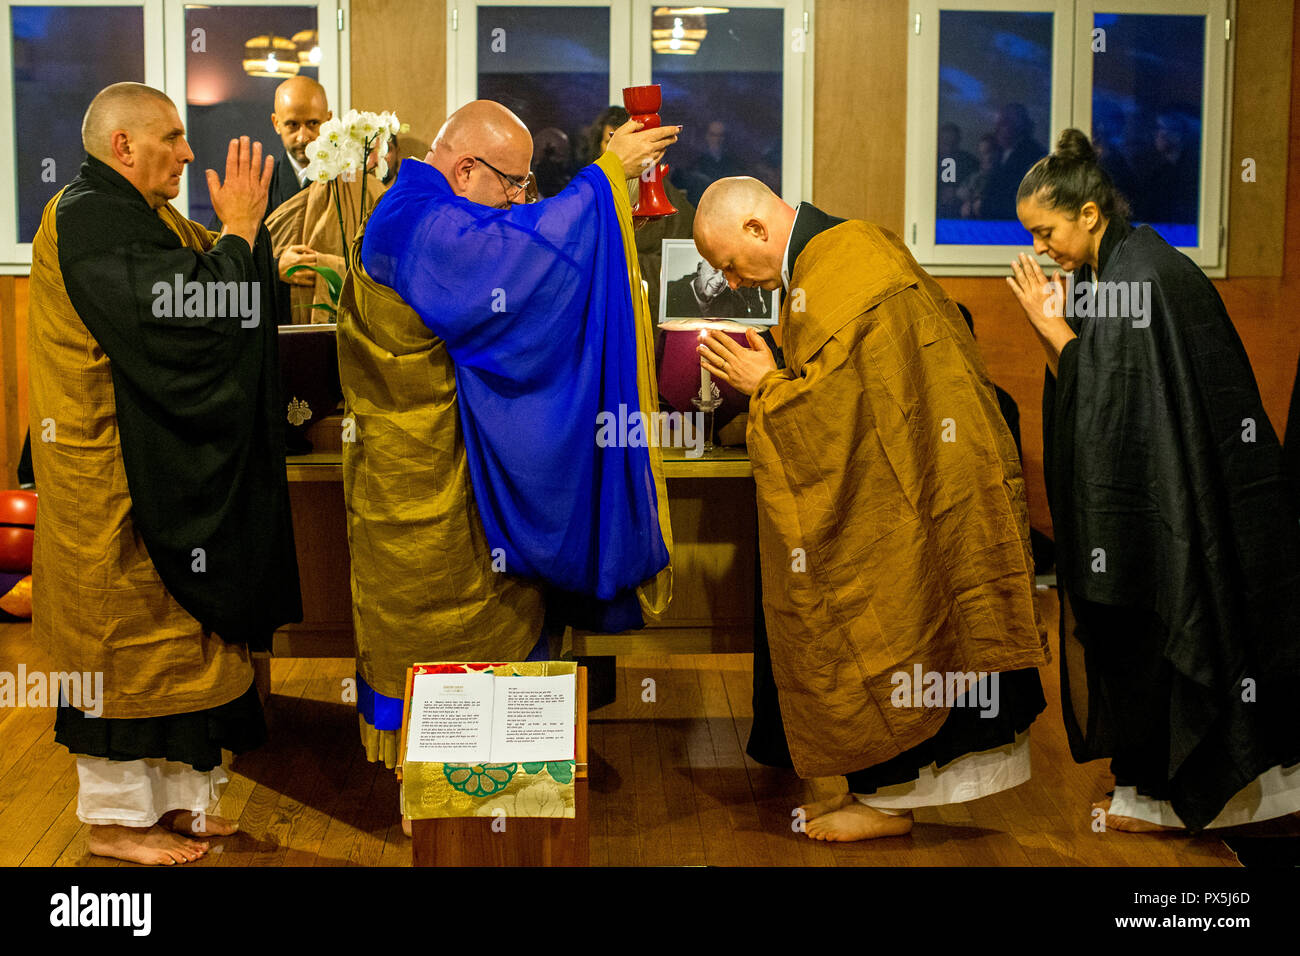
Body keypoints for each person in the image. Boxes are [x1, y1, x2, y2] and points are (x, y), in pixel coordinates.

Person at [694, 177, 1048, 841]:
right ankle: (885, 792)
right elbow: (846, 390)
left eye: (731, 266)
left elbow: (833, 413)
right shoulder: (842, 251)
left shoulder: (839, 268)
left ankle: (891, 799)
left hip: (914, 482)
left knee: (900, 610)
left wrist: (763, 387)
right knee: (913, 617)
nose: (734, 282)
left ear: (757, 231)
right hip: (928, 471)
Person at [335, 100, 679, 785]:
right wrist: (606, 179)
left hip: (418, 474)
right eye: (514, 183)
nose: (522, 199)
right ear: (464, 170)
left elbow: (514, 249)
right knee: (448, 631)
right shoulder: (417, 222)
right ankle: (446, 797)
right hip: (426, 488)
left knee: (489, 620)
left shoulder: (422, 206)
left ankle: (491, 788)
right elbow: (513, 260)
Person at [27, 82, 301, 864]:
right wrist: (242, 232)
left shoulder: (139, 215)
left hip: (153, 468)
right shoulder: (87, 216)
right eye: (173, 137)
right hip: (108, 478)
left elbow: (212, 290)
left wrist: (248, 247)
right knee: (120, 650)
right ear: (122, 146)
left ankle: (177, 803)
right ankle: (114, 822)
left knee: (176, 644)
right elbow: (181, 324)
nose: (187, 152)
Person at [1007, 128, 1300, 833]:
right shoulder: (1124, 267)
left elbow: (1118, 412)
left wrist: (1051, 329)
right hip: (1194, 496)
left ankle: (1171, 798)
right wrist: (1063, 329)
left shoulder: (1140, 278)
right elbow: (1113, 398)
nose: (1041, 249)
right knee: (1136, 629)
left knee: (1154, 623)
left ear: (1089, 213)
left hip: (1185, 507)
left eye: (1046, 232)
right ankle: (1149, 788)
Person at [585, 106, 696, 319]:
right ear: (598, 147)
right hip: (602, 298)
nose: (620, 154)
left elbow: (688, 239)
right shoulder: (590, 190)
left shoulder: (657, 186)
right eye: (610, 144)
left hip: (654, 302)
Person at [265, 169, 387, 322]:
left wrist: (329, 266)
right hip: (284, 316)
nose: (301, 142)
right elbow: (243, 269)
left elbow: (389, 272)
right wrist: (274, 268)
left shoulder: (371, 190)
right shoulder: (268, 184)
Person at [980, 103, 1046, 221]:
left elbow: (1016, 200)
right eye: (997, 124)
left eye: (1003, 123)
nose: (996, 129)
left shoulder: (1030, 155)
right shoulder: (1000, 154)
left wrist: (982, 206)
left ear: (1019, 126)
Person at [665, 258, 767, 321]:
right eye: (714, 271)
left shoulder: (735, 299)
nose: (719, 280)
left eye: (725, 275)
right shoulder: (670, 294)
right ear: (699, 269)